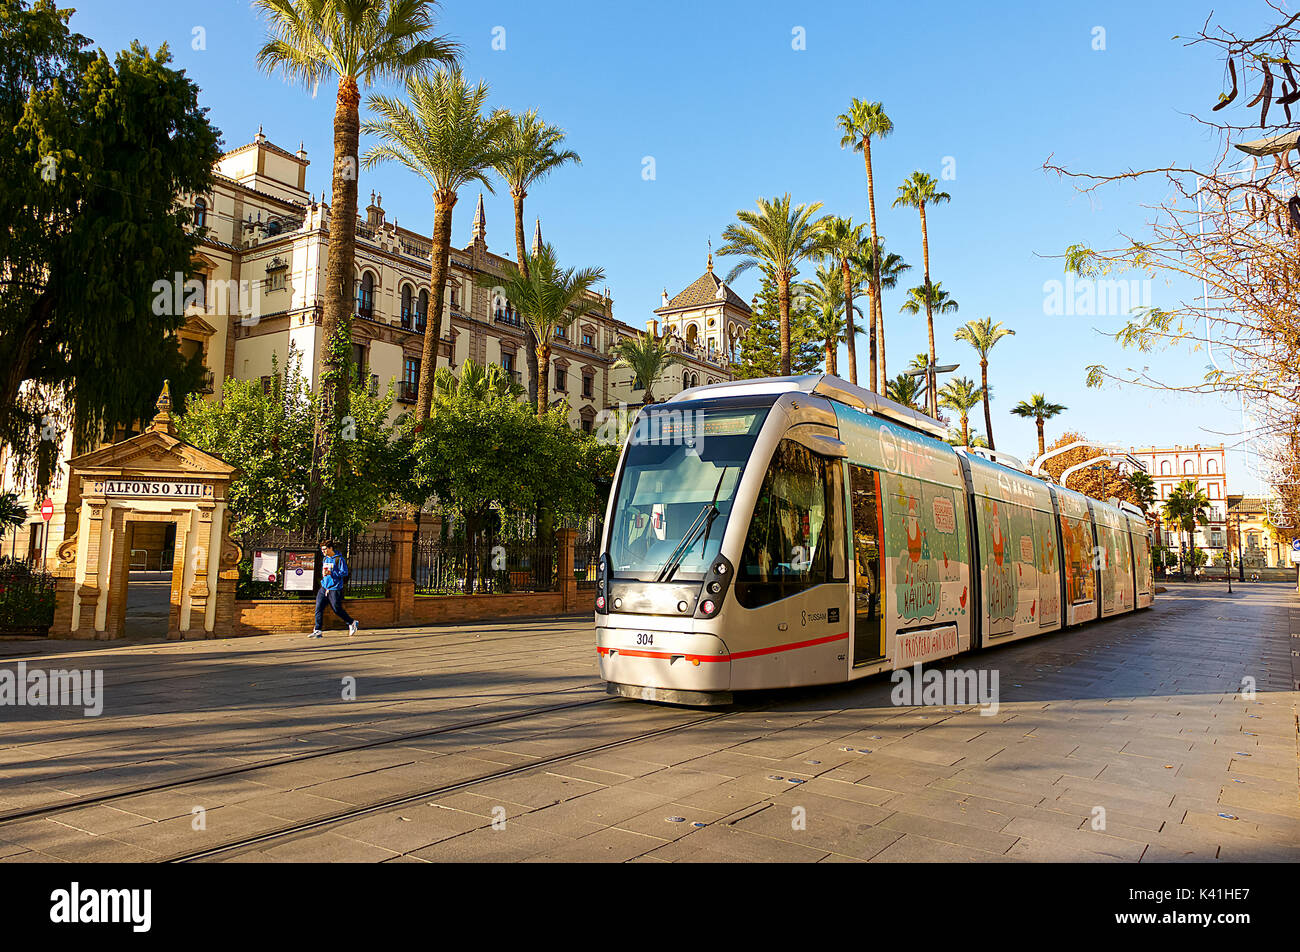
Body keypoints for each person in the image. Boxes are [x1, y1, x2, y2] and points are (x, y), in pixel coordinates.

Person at [310, 540, 359, 639]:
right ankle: (318, 630)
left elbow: (344, 572)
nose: (323, 551)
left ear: (330, 548)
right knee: (318, 608)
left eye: (324, 549)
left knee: (336, 609)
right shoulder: (325, 559)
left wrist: (331, 573)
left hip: (335, 588)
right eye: (322, 550)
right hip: (324, 587)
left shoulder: (339, 559)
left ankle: (351, 622)